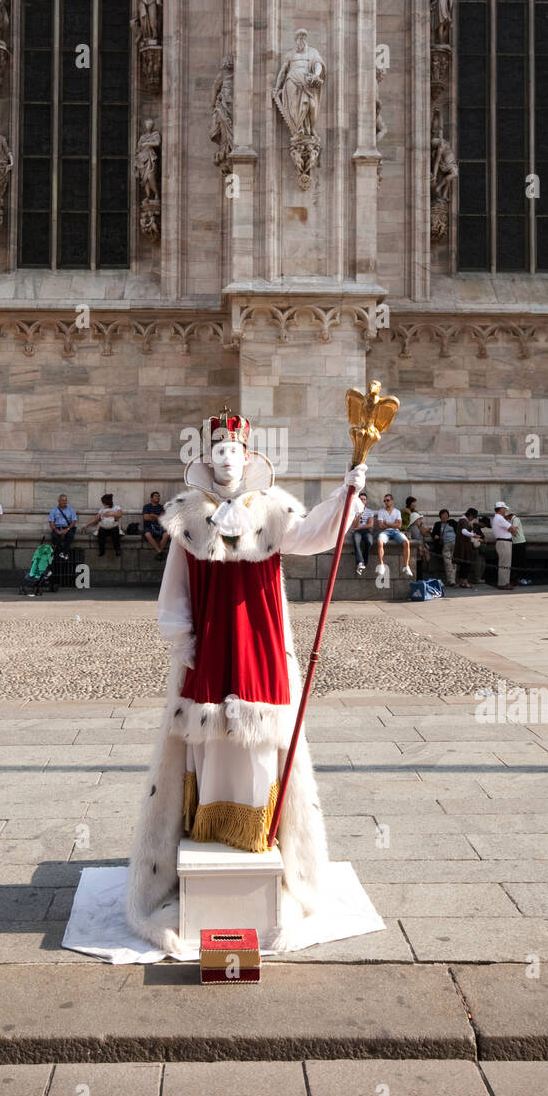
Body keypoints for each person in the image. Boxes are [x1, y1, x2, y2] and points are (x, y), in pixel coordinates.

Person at [125, 406, 367, 955]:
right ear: (206, 462)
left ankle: (258, 830)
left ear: (250, 459)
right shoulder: (188, 516)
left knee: (260, 736)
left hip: (258, 646)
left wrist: (345, 496)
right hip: (210, 645)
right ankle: (209, 828)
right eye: (218, 453)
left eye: (234, 452)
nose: (227, 461)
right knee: (207, 738)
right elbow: (176, 587)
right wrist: (179, 640)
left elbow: (311, 536)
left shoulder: (272, 511)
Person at [375, 492, 413, 577]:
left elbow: (399, 526)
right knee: (380, 541)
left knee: (407, 542)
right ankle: (381, 565)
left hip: (396, 531)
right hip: (385, 532)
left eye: (387, 500)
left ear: (392, 501)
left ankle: (406, 566)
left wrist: (387, 523)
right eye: (384, 501)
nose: (386, 502)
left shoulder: (397, 512)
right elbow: (380, 525)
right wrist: (393, 524)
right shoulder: (381, 511)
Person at [455, 508, 483, 588]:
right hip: (464, 546)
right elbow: (464, 532)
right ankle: (464, 582)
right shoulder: (464, 521)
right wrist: (474, 535)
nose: (473, 519)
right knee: (466, 564)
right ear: (470, 515)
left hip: (463, 545)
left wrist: (476, 538)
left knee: (463, 564)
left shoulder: (463, 520)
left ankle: (462, 582)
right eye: (473, 517)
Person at [431, 508, 457, 587]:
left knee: (454, 563)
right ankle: (451, 581)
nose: (445, 517)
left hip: (455, 544)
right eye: (443, 515)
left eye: (446, 515)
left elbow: (460, 529)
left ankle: (453, 579)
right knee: (448, 562)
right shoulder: (438, 524)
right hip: (445, 545)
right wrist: (435, 536)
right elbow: (433, 533)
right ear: (440, 516)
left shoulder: (452, 522)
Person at [492, 501, 515, 590]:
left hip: (502, 542)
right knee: (505, 564)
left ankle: (505, 582)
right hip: (504, 542)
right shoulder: (499, 518)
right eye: (504, 509)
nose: (505, 510)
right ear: (501, 509)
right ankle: (503, 583)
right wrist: (512, 529)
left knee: (504, 563)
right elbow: (512, 529)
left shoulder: (497, 518)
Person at [48, 494, 77, 560]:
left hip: (67, 527)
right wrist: (56, 530)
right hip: (57, 527)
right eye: (63, 500)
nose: (64, 502)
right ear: (58, 501)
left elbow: (74, 521)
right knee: (54, 537)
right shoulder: (53, 510)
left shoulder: (71, 510)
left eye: (65, 500)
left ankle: (63, 552)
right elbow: (51, 522)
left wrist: (67, 529)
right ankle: (63, 552)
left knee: (70, 536)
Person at [352, 490, 374, 576]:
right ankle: (360, 562)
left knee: (369, 542)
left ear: (366, 501)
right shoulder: (353, 511)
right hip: (357, 531)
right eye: (361, 499)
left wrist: (359, 527)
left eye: (364, 499)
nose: (362, 501)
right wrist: (359, 516)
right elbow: (354, 526)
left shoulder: (370, 511)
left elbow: (370, 525)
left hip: (366, 531)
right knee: (356, 542)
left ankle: (364, 561)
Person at [143, 491, 170, 560]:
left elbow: (162, 519)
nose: (157, 497)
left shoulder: (162, 507)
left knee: (166, 534)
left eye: (158, 496)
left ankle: (159, 553)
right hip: (149, 526)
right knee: (147, 534)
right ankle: (160, 552)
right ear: (151, 498)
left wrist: (153, 515)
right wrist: (158, 516)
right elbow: (146, 518)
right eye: (155, 496)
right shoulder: (146, 507)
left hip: (160, 527)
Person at [407, 510, 430, 579]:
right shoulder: (414, 528)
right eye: (419, 519)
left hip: (418, 551)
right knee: (419, 568)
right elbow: (417, 539)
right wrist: (421, 548)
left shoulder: (415, 527)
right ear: (415, 520)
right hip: (417, 552)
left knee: (419, 567)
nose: (420, 521)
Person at [510, 511, 529, 585]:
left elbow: (513, 530)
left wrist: (510, 531)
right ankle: (518, 578)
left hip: (520, 543)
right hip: (515, 543)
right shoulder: (511, 520)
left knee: (521, 561)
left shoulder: (515, 519)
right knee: (516, 561)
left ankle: (522, 578)